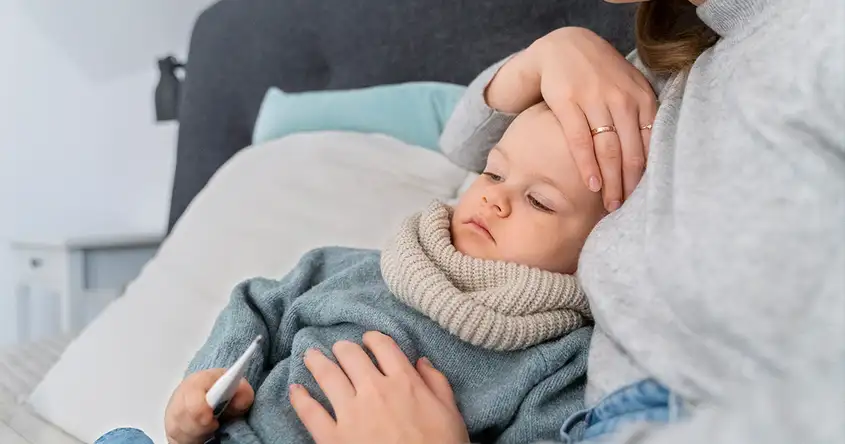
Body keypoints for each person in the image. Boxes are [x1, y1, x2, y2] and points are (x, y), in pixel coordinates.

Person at [283, 0, 844, 443]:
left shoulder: (817, 36)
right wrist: (550, 56)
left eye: (540, 204)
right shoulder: (673, 63)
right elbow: (469, 145)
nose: (495, 198)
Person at [95, 103, 610, 444]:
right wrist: (205, 389)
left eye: (539, 201)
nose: (495, 196)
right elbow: (255, 304)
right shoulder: (349, 268)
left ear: (599, 246)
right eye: (494, 172)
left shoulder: (560, 361)